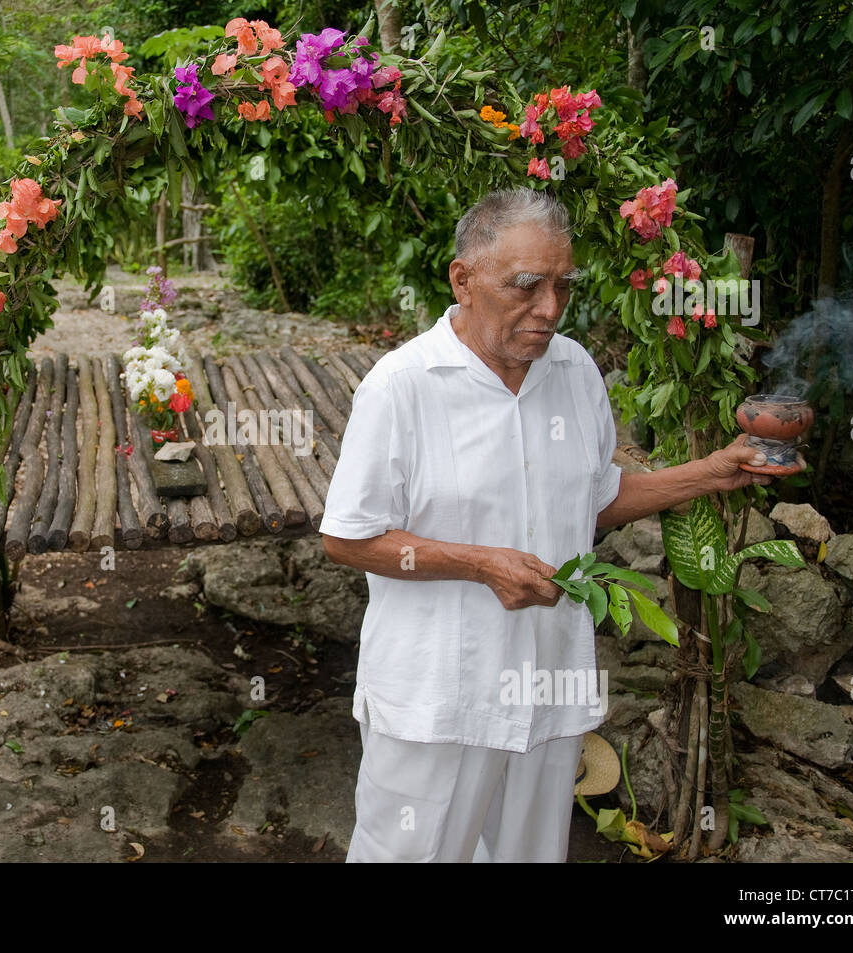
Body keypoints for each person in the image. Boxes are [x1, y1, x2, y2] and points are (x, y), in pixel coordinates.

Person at [320, 187, 785, 863]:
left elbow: (591, 502)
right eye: (525, 286)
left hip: (546, 685)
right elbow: (347, 535)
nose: (549, 309)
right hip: (436, 695)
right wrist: (480, 563)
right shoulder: (402, 387)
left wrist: (713, 471)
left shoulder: (572, 372)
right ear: (463, 279)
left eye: (563, 286)